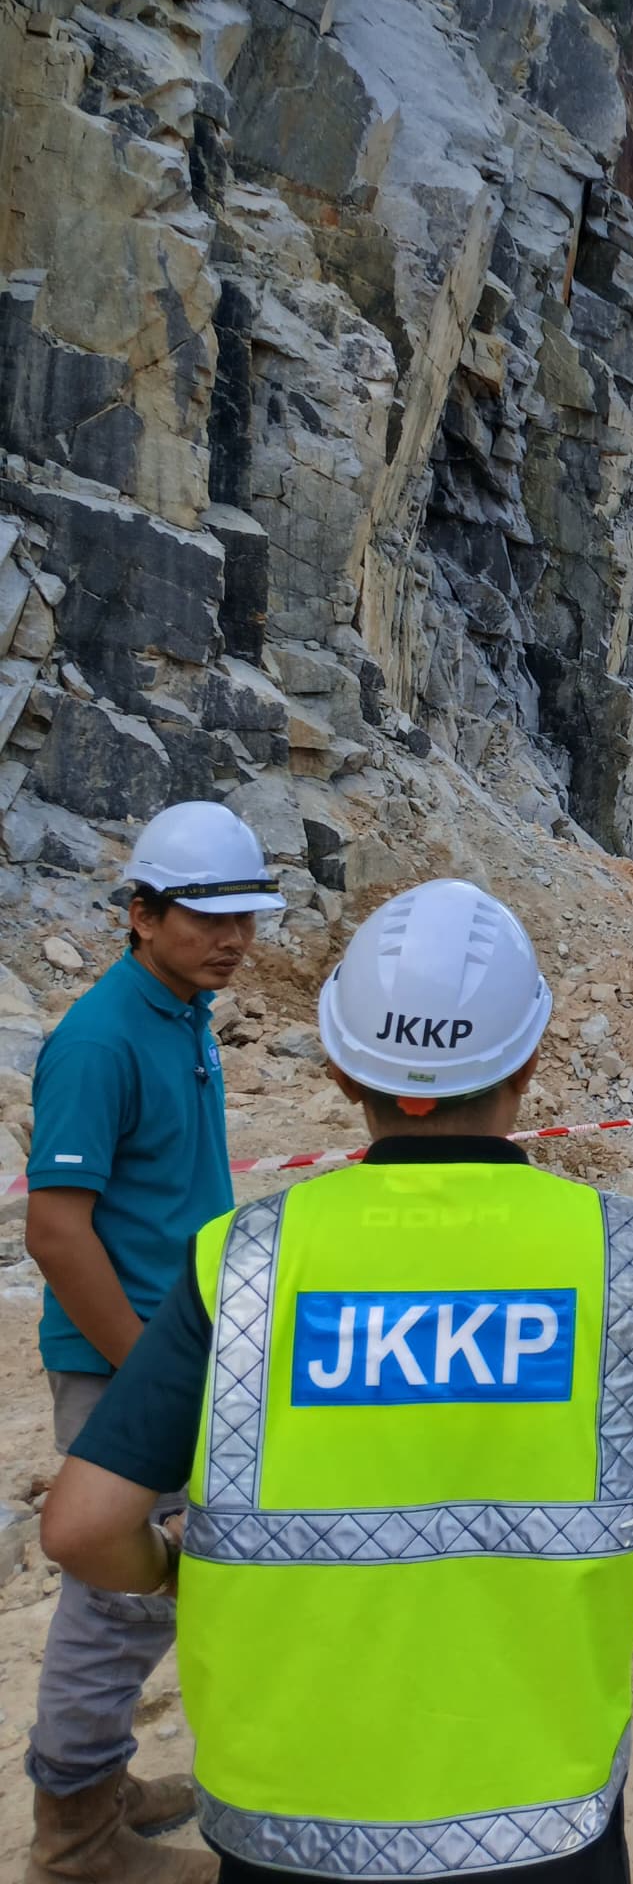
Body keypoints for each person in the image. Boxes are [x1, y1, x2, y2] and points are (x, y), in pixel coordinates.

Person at [39, 877, 633, 1884]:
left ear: (342, 1068)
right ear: (530, 1058)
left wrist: (173, 1567)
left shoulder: (247, 1259)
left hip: (287, 1828)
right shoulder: (619, 1253)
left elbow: (78, 1527)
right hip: (537, 1823)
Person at [25, 802, 287, 1884]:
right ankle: (75, 1837)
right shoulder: (97, 1038)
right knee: (119, 1592)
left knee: (148, 1586)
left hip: (165, 1349)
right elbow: (54, 1226)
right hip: (119, 1357)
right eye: (205, 916)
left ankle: (101, 1780)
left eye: (244, 918)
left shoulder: (181, 1014)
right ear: (141, 913)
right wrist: (148, 1366)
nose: (231, 937)